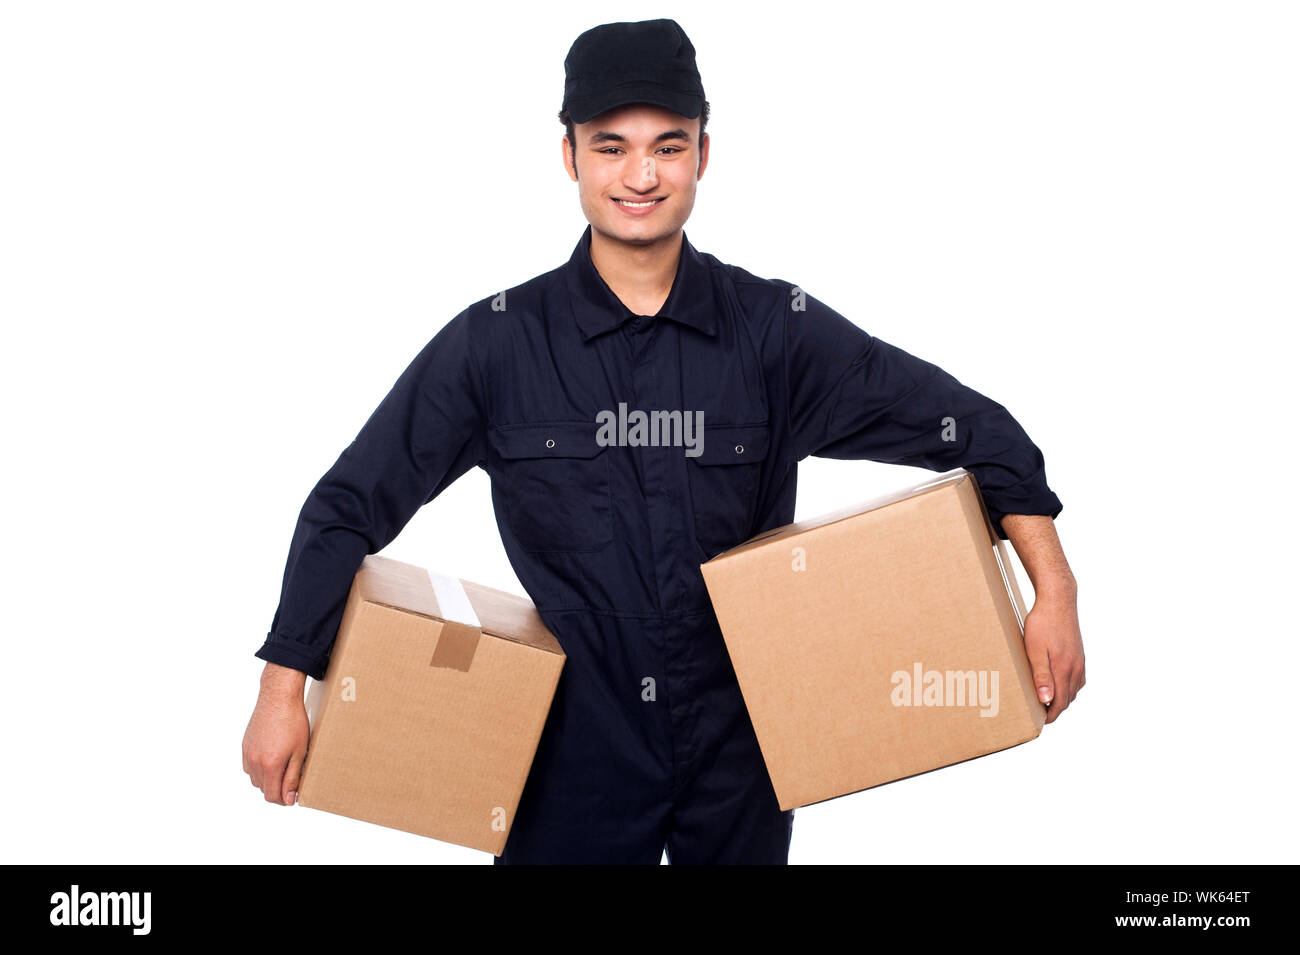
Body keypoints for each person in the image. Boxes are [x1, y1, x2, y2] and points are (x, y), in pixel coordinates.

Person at [242, 18, 1084, 865]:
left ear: (703, 156)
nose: (641, 176)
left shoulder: (773, 335)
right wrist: (285, 686)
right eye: (611, 147)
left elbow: (977, 432)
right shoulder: (498, 346)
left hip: (741, 757)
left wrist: (1054, 589)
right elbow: (348, 504)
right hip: (568, 761)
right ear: (569, 156)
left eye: (667, 147)